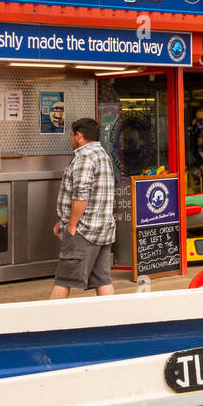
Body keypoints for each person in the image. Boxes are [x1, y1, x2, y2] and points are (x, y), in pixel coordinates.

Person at [49, 118, 116, 299]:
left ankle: (46, 323)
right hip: (103, 230)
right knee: (103, 280)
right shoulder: (103, 155)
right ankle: (113, 321)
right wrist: (62, 222)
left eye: (72, 135)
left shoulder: (84, 157)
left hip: (83, 231)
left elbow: (81, 194)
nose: (71, 140)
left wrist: (71, 224)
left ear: (79, 136)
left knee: (63, 279)